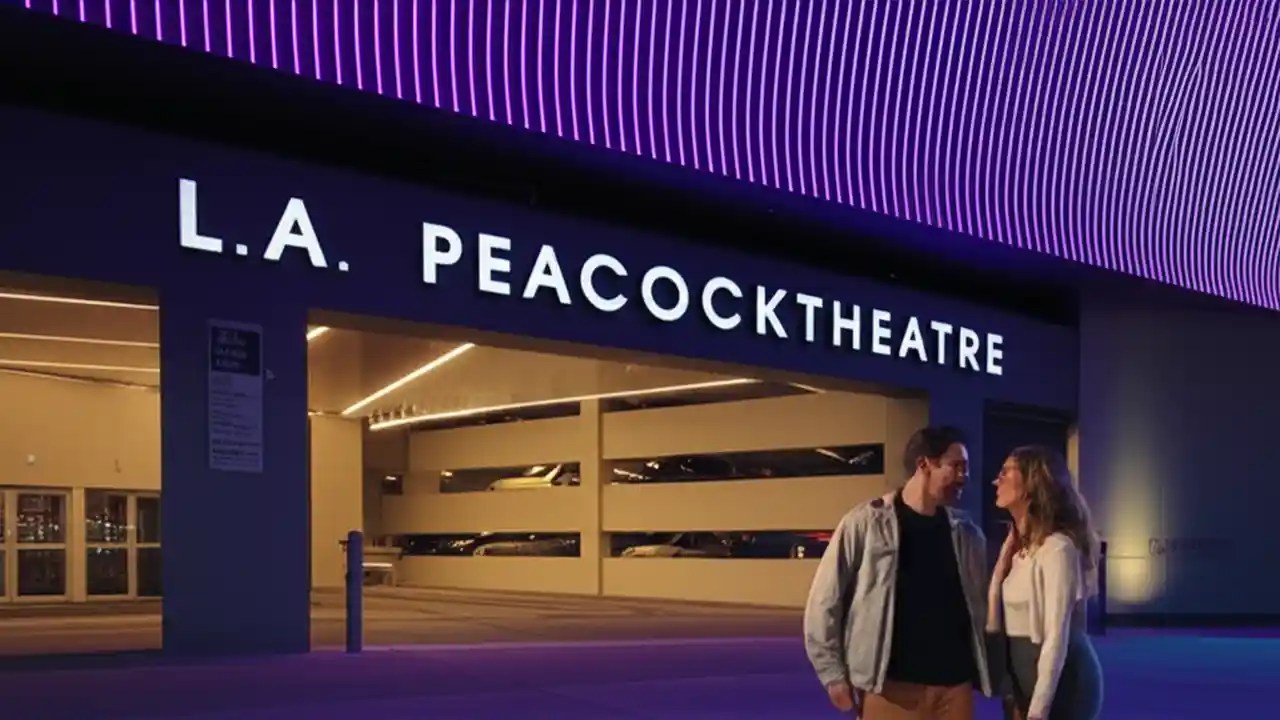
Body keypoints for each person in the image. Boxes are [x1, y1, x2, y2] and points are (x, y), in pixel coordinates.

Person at [804, 425, 993, 719]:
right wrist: (832, 674)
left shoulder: (968, 534)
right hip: (891, 689)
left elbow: (983, 604)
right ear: (924, 465)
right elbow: (825, 600)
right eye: (956, 467)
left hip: (955, 688)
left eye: (966, 469)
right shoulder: (866, 523)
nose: (964, 477)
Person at [986, 446, 1104, 720]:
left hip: (1063, 687)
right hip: (1024, 685)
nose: (996, 480)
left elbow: (1056, 637)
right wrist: (1010, 691)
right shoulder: (1017, 551)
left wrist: (1038, 711)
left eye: (1005, 472)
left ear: (1032, 481)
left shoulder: (1057, 549)